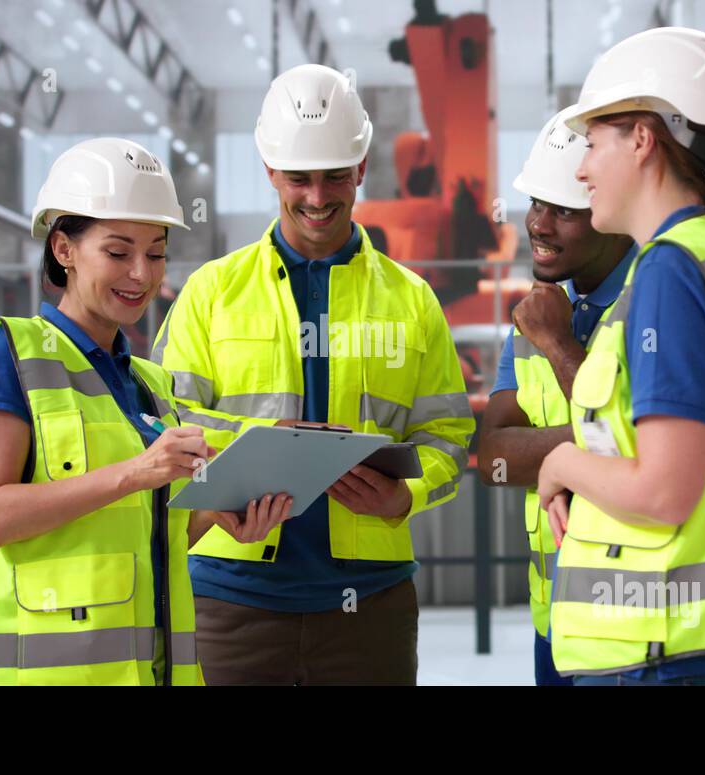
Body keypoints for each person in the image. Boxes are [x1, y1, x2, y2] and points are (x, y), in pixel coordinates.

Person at [152, 64, 474, 685]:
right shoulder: (210, 292)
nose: (318, 198)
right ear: (270, 170)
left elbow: (450, 439)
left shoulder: (412, 300)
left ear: (361, 169)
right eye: (299, 178)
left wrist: (404, 495)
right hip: (232, 595)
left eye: (335, 177)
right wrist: (267, 435)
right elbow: (165, 421)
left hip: (370, 603)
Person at [0, 138, 290, 685]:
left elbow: (142, 534)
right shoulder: (9, 353)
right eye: (117, 251)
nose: (140, 274)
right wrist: (135, 472)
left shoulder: (149, 385)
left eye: (156, 253)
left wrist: (218, 516)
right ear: (64, 250)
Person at [536, 27, 705, 686]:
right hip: (674, 649)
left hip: (657, 654)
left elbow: (665, 489)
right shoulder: (702, 255)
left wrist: (562, 459)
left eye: (592, 144)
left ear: (643, 139)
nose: (583, 168)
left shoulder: (670, 272)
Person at [475, 107, 634, 686]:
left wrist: (560, 344)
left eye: (564, 210)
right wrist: (594, 448)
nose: (539, 225)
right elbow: (491, 457)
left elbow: (644, 447)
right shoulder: (533, 317)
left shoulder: (651, 300)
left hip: (640, 624)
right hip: (557, 621)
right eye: (535, 204)